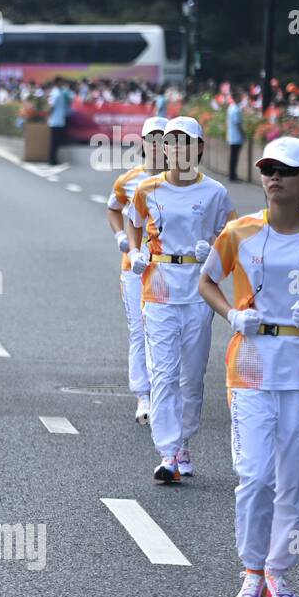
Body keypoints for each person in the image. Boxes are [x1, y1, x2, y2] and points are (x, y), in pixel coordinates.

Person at [199, 137, 299, 597]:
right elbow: (207, 280)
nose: (273, 177)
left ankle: (278, 573)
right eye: (268, 168)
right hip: (251, 360)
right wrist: (229, 315)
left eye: (286, 169)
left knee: (293, 478)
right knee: (255, 474)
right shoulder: (240, 231)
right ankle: (251, 570)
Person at [125, 115, 235, 482]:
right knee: (164, 373)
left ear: (199, 148)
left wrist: (214, 254)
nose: (177, 148)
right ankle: (168, 452)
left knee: (191, 375)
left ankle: (185, 440)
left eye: (186, 142)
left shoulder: (215, 193)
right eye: (171, 142)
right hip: (158, 289)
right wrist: (137, 251)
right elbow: (132, 220)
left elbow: (232, 236)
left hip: (198, 289)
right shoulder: (148, 188)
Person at [105, 116, 168, 424]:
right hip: (134, 266)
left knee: (165, 332)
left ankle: (166, 392)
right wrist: (121, 237)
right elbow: (113, 208)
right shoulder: (129, 180)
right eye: (151, 139)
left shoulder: (181, 182)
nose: (156, 145)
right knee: (138, 330)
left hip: (168, 269)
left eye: (162, 139)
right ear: (143, 143)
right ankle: (143, 396)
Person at [47, 78, 73, 166]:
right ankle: (52, 159)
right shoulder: (55, 93)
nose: (62, 84)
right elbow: (51, 106)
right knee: (54, 142)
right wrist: (49, 115)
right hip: (55, 120)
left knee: (57, 141)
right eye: (61, 82)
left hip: (59, 120)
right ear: (57, 83)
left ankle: (54, 159)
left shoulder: (60, 92)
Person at [226, 91, 245, 181]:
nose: (241, 98)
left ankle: (231, 174)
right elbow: (238, 123)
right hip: (236, 136)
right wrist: (243, 134)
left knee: (233, 156)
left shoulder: (231, 107)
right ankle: (232, 175)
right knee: (234, 156)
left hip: (232, 135)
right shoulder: (236, 109)